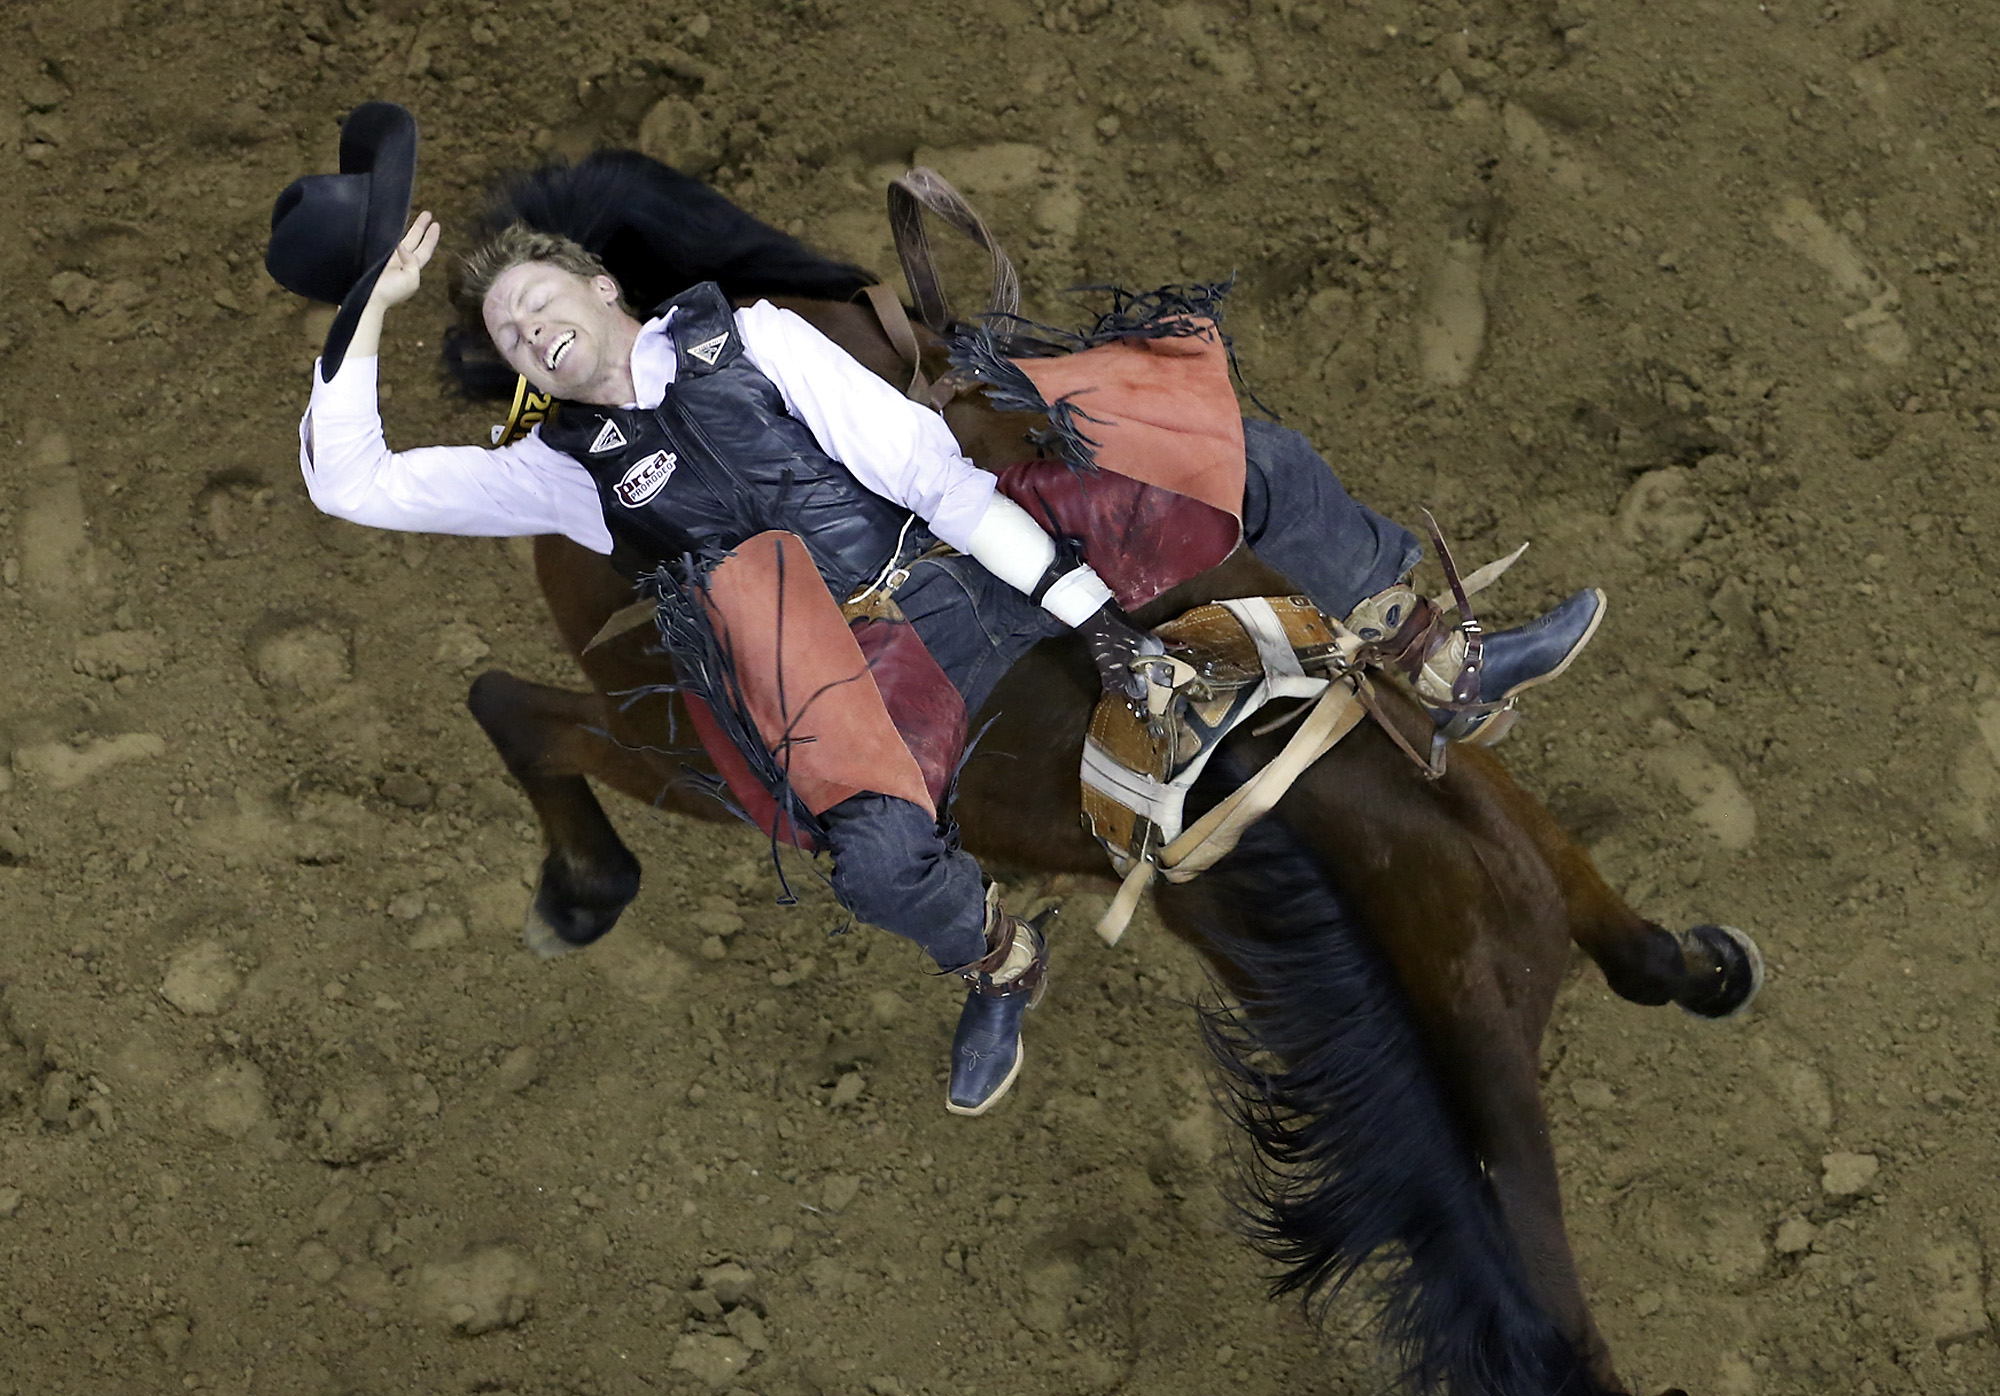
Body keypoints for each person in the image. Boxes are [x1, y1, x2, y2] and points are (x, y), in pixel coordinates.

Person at [270, 105, 1604, 1118]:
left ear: (605, 290)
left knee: (1251, 461)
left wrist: (1089, 610)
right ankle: (1000, 962)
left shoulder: (755, 337)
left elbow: (921, 470)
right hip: (871, 672)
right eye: (516, 339)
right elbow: (353, 481)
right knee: (874, 862)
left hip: (967, 549)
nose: (539, 338)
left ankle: (1434, 654)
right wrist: (370, 315)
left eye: (546, 306)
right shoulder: (560, 474)